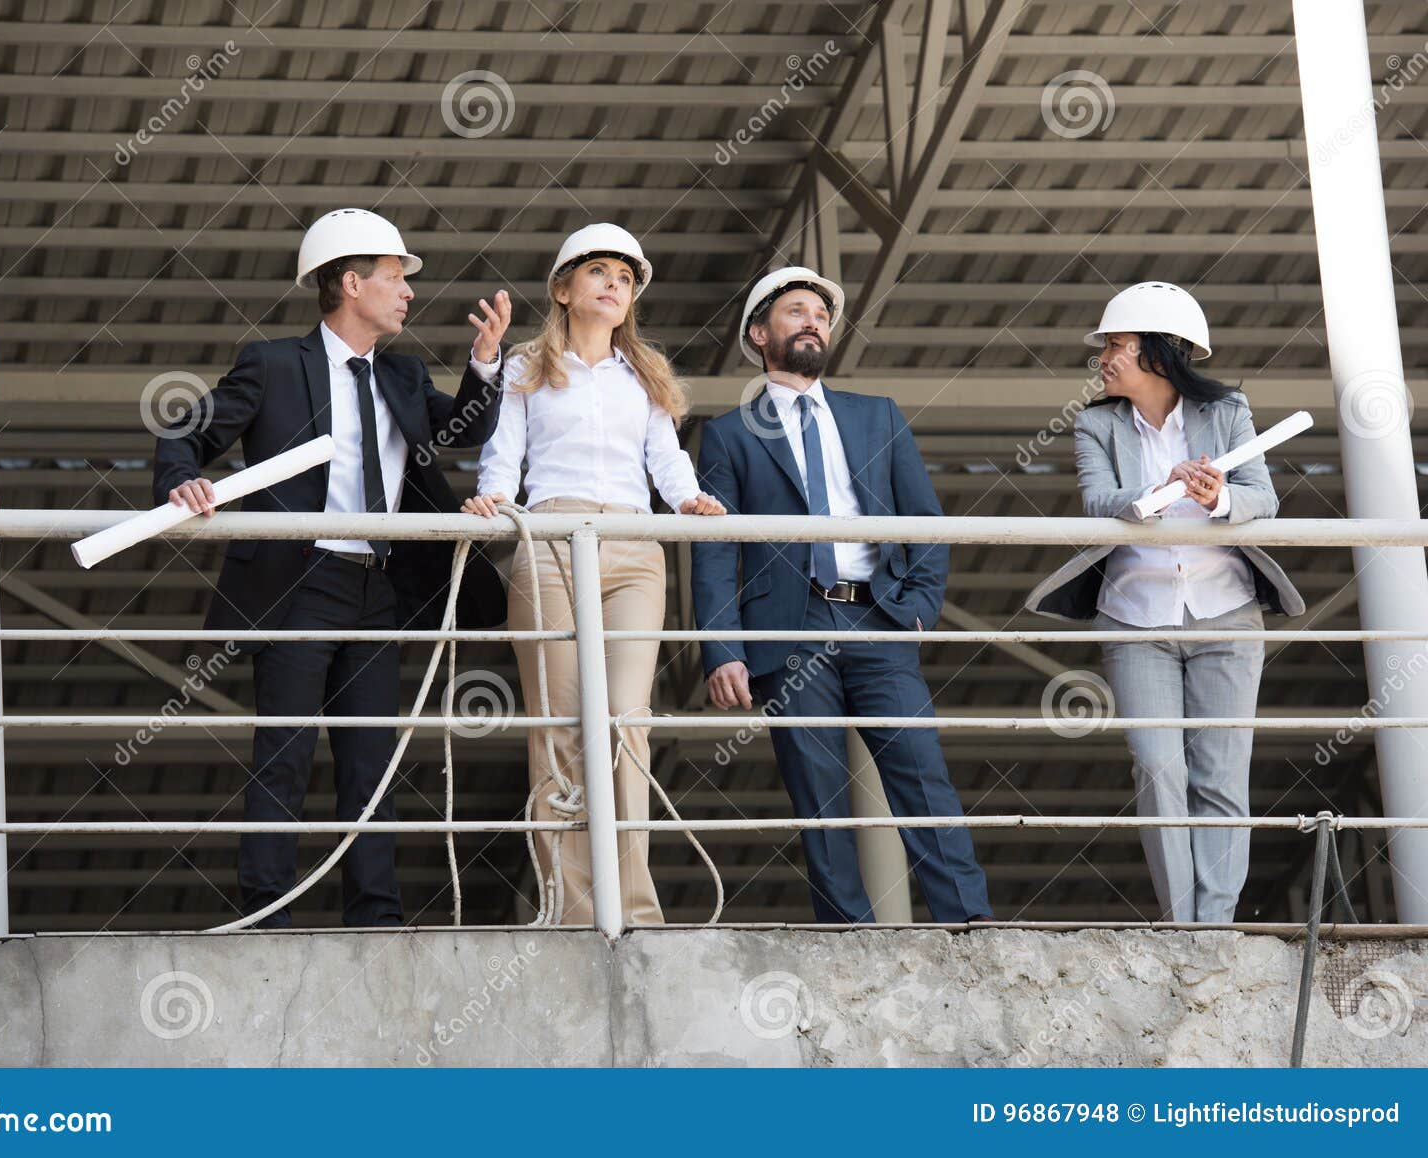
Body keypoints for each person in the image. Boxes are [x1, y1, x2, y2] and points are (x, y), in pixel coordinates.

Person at [152, 207, 512, 928]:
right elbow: (190, 428)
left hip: (377, 586)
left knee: (370, 761)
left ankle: (375, 916)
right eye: (394, 278)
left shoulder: (405, 375)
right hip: (299, 581)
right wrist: (181, 480)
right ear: (351, 283)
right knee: (283, 750)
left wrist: (485, 363)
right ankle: (266, 915)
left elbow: (462, 430)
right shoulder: (274, 363)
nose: (408, 293)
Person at [690, 266, 991, 924]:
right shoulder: (729, 433)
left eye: (821, 316)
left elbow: (926, 523)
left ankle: (969, 925)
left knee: (922, 777)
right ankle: (846, 937)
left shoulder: (874, 414)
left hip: (879, 618)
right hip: (788, 630)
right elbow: (713, 548)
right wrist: (722, 647)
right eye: (797, 311)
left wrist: (918, 608)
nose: (813, 322)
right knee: (819, 798)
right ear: (758, 333)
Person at [463, 223, 725, 926]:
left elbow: (666, 461)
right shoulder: (525, 366)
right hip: (550, 536)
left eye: (626, 278)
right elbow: (503, 452)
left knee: (625, 724)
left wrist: (690, 498)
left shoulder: (643, 374)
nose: (615, 285)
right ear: (563, 288)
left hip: (635, 546)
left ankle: (634, 909)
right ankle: (572, 908)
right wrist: (493, 496)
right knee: (558, 726)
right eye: (600, 271)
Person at [1026, 281, 1304, 923]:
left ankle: (1216, 927)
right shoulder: (1095, 423)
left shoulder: (1228, 410)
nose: (1104, 357)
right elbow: (1099, 500)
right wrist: (1160, 488)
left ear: (1157, 351)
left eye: (1116, 345)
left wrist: (1218, 500)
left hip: (1226, 612)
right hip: (1135, 617)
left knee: (1221, 774)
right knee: (1157, 770)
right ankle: (1181, 924)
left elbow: (1264, 497)